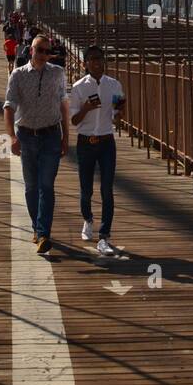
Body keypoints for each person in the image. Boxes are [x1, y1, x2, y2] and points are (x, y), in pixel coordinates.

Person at [3, 34, 70, 254]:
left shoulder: (58, 73)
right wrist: (11, 136)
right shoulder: (18, 75)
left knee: (46, 186)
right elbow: (9, 106)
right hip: (27, 136)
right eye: (39, 50)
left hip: (51, 135)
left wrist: (66, 136)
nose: (43, 54)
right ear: (30, 50)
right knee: (32, 187)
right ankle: (36, 228)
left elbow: (63, 105)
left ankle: (43, 233)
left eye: (47, 51)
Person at [69, 45, 125, 256]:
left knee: (107, 190)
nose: (97, 62)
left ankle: (104, 236)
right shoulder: (78, 87)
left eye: (99, 59)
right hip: (85, 142)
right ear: (85, 63)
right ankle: (88, 219)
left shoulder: (114, 85)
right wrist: (86, 108)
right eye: (92, 59)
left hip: (106, 141)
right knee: (86, 190)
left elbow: (119, 110)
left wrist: (119, 113)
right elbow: (74, 120)